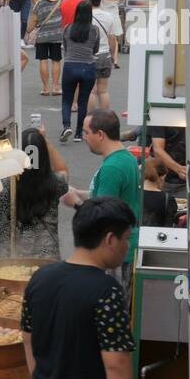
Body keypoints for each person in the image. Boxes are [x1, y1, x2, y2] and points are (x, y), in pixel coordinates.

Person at [22, 196, 136, 379]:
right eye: (126, 238)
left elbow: (28, 339)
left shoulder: (40, 277)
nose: (128, 245)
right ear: (110, 240)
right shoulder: (108, 291)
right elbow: (117, 364)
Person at [62, 109, 142, 294]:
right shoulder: (126, 158)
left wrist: (75, 202)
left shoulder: (112, 168)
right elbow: (108, 197)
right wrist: (81, 193)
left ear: (100, 135)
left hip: (114, 251)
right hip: (125, 245)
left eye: (86, 132)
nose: (83, 137)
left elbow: (102, 217)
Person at [0, 127, 69, 258]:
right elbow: (63, 170)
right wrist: (46, 142)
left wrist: (6, 225)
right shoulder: (55, 184)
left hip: (10, 259)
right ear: (44, 156)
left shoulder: (1, 185)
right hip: (46, 261)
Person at [59, 1, 100, 143]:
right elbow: (96, 49)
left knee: (67, 100)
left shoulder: (68, 28)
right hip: (88, 67)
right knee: (83, 101)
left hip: (70, 66)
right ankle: (78, 133)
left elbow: (65, 47)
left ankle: (66, 126)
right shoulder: (94, 30)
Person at [87, 0, 124, 110]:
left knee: (91, 91)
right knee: (103, 91)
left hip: (90, 55)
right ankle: (104, 118)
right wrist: (113, 55)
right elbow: (112, 38)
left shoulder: (85, 16)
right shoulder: (108, 16)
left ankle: (91, 119)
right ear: (100, 0)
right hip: (105, 55)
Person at [27, 0, 64, 97]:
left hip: (42, 35)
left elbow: (34, 19)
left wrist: (28, 30)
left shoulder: (40, 2)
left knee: (43, 60)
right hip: (57, 34)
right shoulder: (62, 1)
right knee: (56, 60)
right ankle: (56, 87)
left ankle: (46, 88)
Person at [147, 126, 187, 198]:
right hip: (162, 179)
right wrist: (179, 169)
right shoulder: (162, 118)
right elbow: (158, 150)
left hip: (186, 182)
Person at [141, 158, 178, 228]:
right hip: (157, 237)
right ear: (163, 176)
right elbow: (169, 227)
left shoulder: (132, 193)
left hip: (134, 237)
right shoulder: (167, 199)